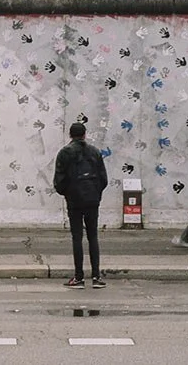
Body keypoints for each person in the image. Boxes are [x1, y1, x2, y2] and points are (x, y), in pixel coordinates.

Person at [53, 122, 108, 289]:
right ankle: (96, 276)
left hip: (74, 200)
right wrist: (96, 193)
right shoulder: (94, 152)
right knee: (93, 237)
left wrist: (67, 193)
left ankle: (79, 277)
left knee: (77, 237)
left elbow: (59, 179)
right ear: (85, 134)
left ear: (70, 135)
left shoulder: (65, 153)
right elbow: (103, 178)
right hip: (92, 199)